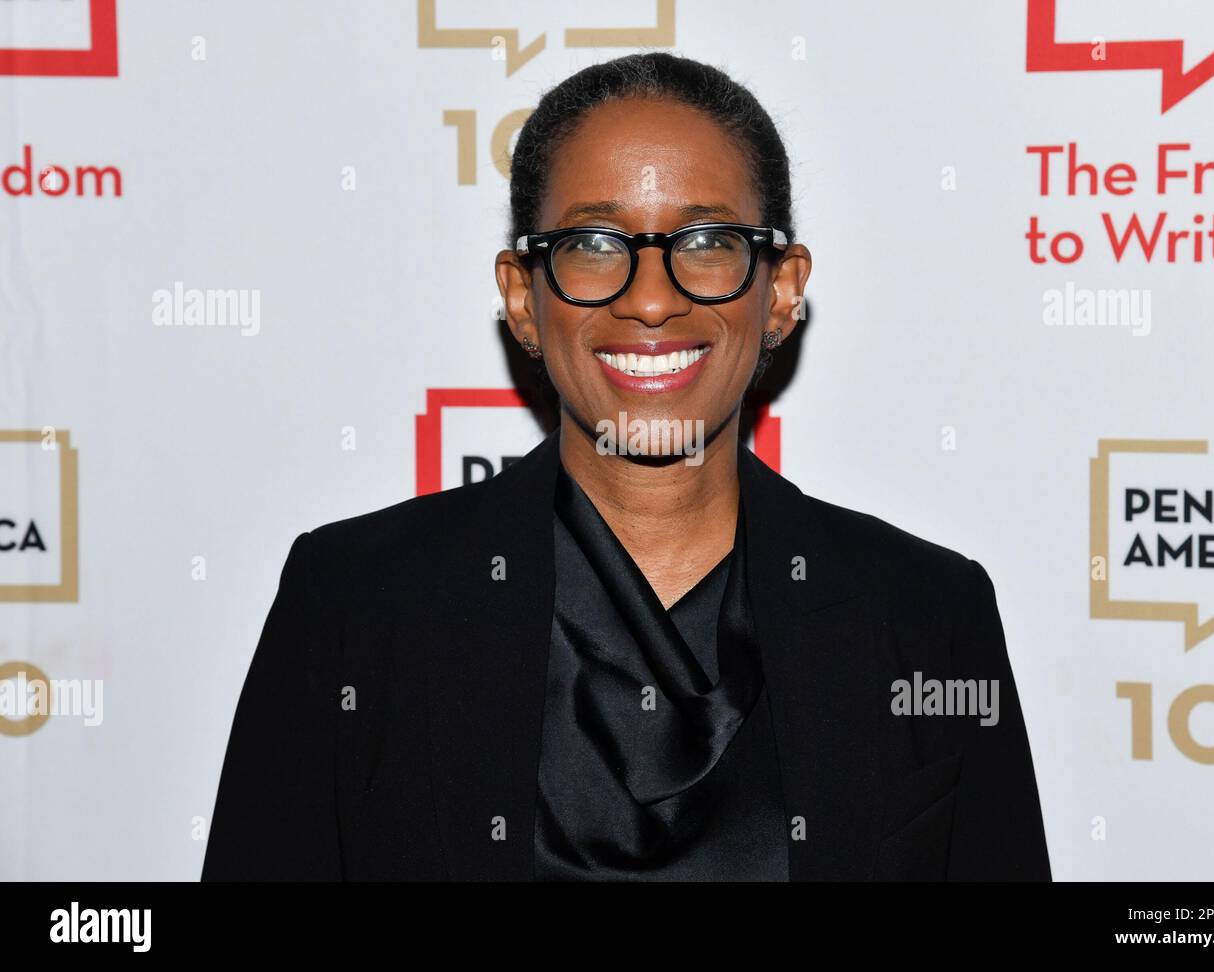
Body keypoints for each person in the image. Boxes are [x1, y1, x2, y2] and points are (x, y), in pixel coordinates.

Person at [202, 52, 1051, 881]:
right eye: (595, 243)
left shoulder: (925, 613)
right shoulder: (356, 604)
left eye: (709, 240)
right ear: (521, 298)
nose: (650, 298)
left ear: (782, 289)